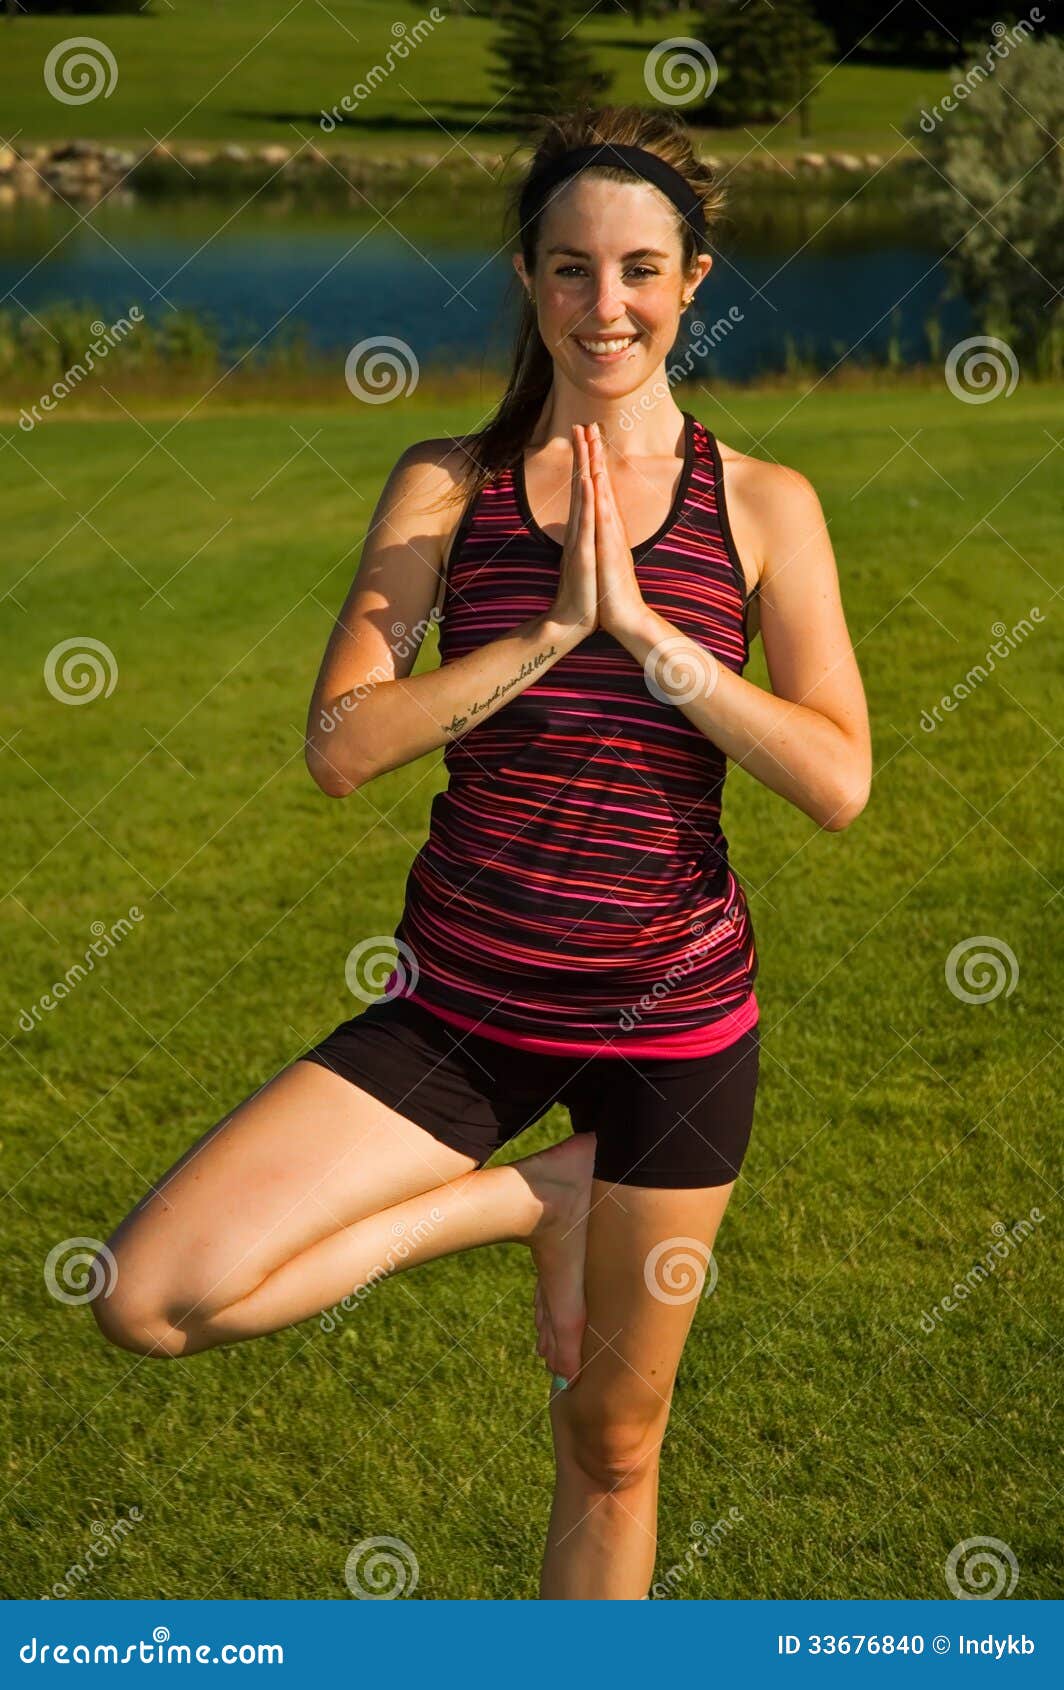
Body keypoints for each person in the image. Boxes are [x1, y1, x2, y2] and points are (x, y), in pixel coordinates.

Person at [92, 105, 871, 1600]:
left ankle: (567, 1207)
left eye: (641, 268)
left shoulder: (763, 505)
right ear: (528, 278)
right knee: (152, 1293)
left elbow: (837, 778)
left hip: (675, 1027)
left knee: (615, 1442)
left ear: (695, 279)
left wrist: (648, 636)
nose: (607, 305)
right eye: (571, 270)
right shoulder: (447, 487)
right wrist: (546, 633)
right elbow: (343, 745)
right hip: (461, 1008)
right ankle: (538, 1194)